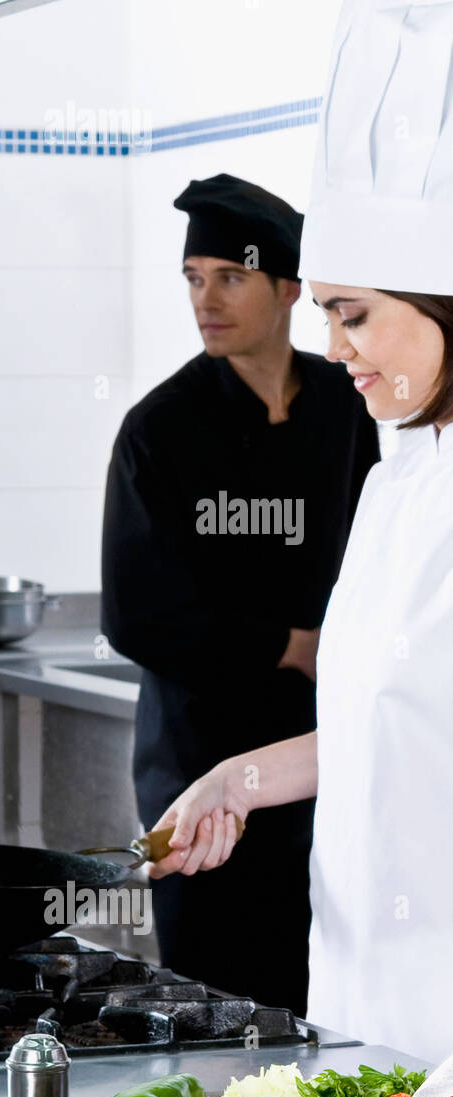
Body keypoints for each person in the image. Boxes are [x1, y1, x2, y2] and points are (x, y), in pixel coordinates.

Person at [146, 0, 453, 1062]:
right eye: (322, 311)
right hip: (365, 999)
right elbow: (393, 727)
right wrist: (242, 778)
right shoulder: (400, 480)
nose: (331, 347)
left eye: (353, 313)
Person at [100, 173, 378, 1016]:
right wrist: (289, 645)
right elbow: (135, 615)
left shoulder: (351, 404)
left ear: (290, 289)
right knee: (216, 993)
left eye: (231, 276)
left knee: (327, 985)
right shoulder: (161, 429)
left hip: (330, 752)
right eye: (194, 279)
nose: (205, 300)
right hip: (198, 760)